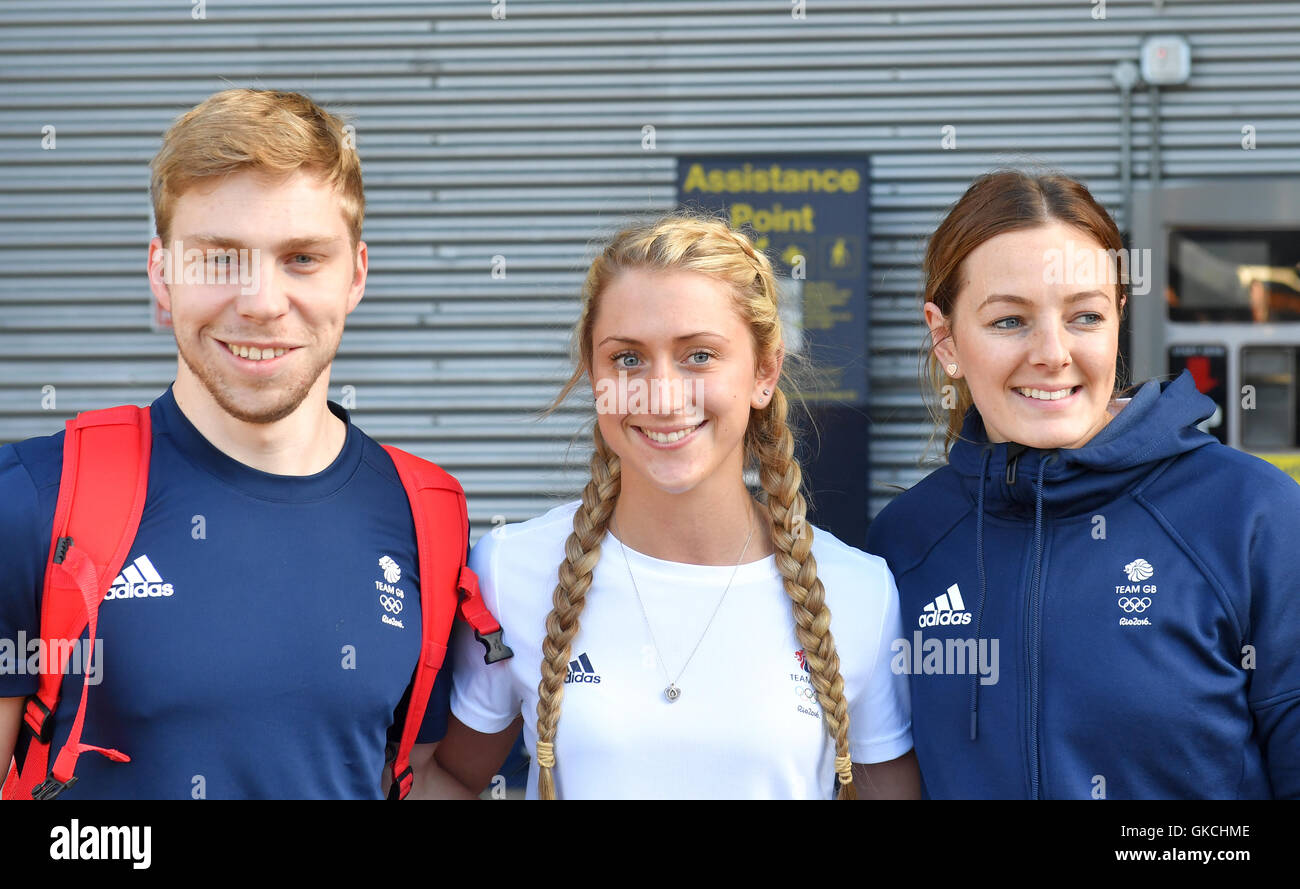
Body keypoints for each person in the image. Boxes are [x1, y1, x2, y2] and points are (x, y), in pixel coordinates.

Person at [0, 88, 470, 799]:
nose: (260, 301)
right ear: (162, 275)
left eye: (303, 258)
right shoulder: (34, 498)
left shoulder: (428, 516)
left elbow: (420, 773)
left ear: (357, 275)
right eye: (219, 258)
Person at [432, 213, 919, 799]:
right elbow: (448, 780)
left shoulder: (859, 592)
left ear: (765, 372)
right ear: (594, 374)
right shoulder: (511, 571)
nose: (662, 396)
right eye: (628, 359)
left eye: (699, 356)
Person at [865, 169, 1300, 799]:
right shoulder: (905, 542)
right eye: (1010, 321)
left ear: (1119, 319)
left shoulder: (1251, 515)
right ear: (945, 337)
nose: (1052, 352)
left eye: (1085, 316)